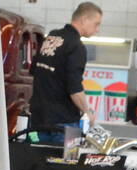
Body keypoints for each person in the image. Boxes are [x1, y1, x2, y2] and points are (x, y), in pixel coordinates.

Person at [28, 2, 103, 147]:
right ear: (84, 20)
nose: (97, 29)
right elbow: (74, 89)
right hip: (64, 124)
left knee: (38, 163)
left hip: (38, 119)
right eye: (96, 24)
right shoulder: (76, 46)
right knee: (65, 167)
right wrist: (88, 113)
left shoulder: (52, 36)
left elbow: (34, 71)